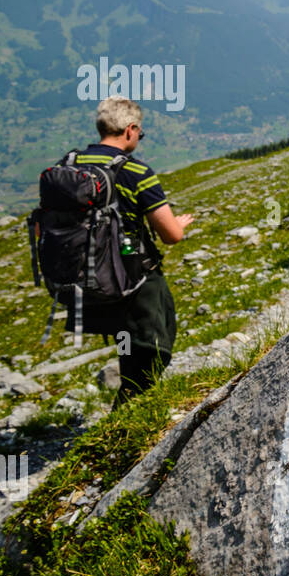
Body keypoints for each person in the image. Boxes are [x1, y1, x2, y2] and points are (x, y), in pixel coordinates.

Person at [75, 96, 193, 406]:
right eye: (140, 132)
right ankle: (126, 415)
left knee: (127, 341)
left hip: (87, 277)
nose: (139, 138)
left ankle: (129, 402)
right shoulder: (135, 172)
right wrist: (178, 224)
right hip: (133, 277)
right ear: (130, 130)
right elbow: (171, 236)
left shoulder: (71, 164)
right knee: (157, 346)